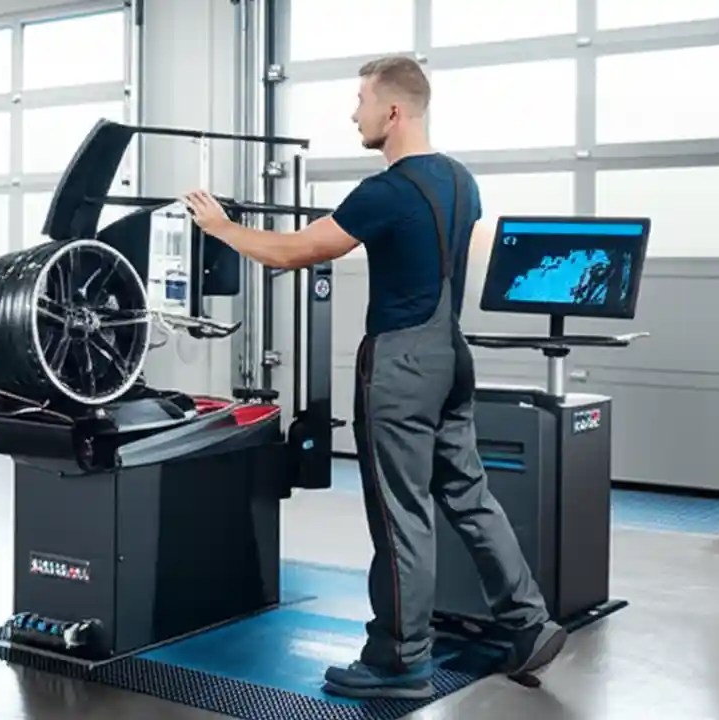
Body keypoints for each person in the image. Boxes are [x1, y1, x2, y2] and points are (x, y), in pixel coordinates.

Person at [180, 55, 566, 700]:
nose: (352, 112)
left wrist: (220, 227)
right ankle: (528, 623)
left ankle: (399, 661)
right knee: (469, 496)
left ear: (391, 110)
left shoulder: (386, 190)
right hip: (451, 354)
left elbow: (299, 249)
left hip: (401, 364)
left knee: (399, 513)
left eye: (359, 100)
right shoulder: (461, 181)